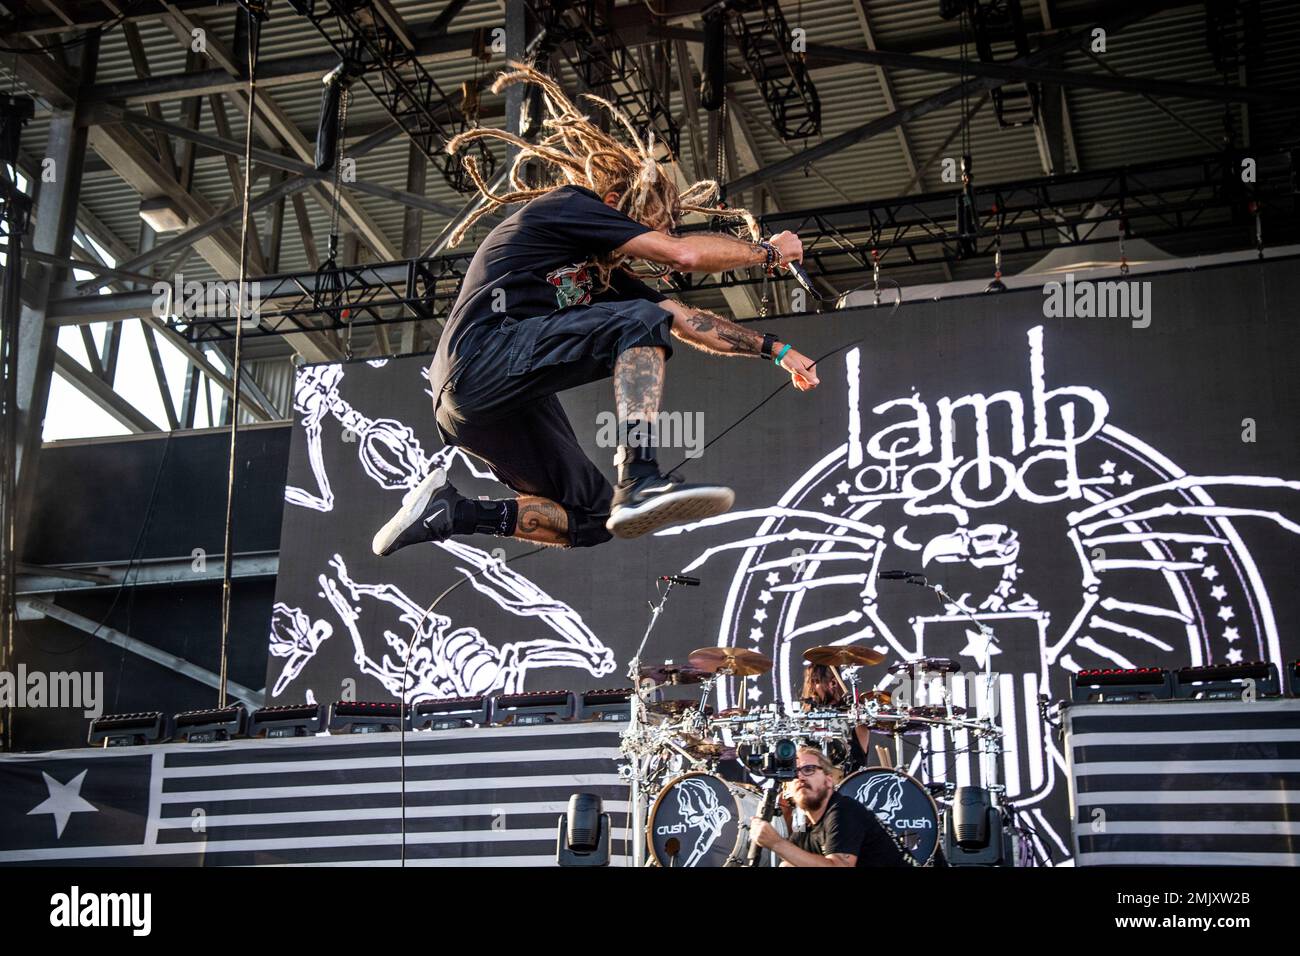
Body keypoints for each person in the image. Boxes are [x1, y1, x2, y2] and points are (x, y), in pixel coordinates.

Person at [372, 64, 819, 558]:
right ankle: (640, 475)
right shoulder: (571, 206)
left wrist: (776, 350)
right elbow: (685, 255)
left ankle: (451, 511)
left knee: (593, 519)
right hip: (480, 356)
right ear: (614, 204)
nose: (656, 242)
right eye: (655, 225)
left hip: (478, 410)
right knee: (641, 322)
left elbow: (689, 322)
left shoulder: (608, 282)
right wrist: (769, 252)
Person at [750, 746, 911, 867]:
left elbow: (840, 866)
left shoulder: (843, 810)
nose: (800, 777)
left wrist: (776, 843)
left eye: (808, 769)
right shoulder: (805, 829)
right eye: (793, 773)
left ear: (829, 780)